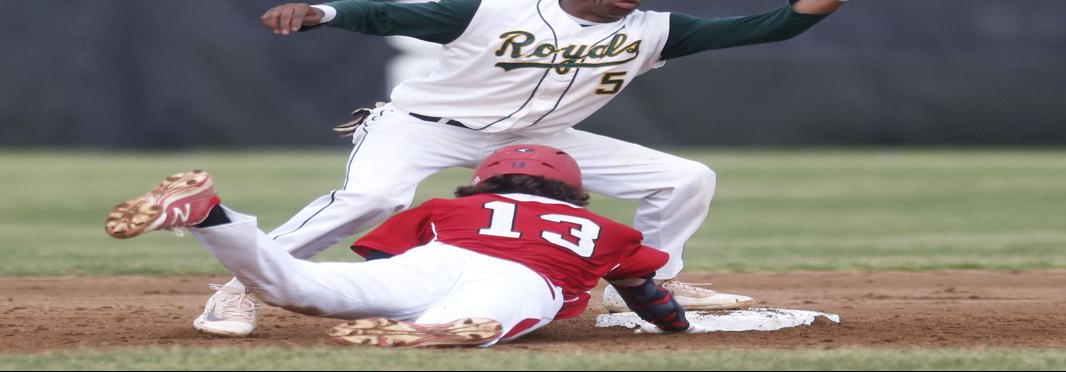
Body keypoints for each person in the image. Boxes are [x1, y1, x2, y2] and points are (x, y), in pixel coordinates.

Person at [192, 0, 847, 337]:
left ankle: (650, 284)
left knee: (685, 178)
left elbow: (776, 26)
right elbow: (390, 14)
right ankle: (244, 282)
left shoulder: (656, 28)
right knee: (374, 197)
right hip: (426, 131)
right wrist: (320, 13)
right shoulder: (496, 10)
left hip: (542, 138)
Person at [105, 145, 692, 347]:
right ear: (572, 189)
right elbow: (645, 292)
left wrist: (388, 297)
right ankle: (447, 330)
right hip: (526, 278)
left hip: (434, 261)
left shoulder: (449, 207)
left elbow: (384, 258)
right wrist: (675, 328)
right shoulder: (612, 232)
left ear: (484, 182)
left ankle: (213, 216)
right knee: (489, 317)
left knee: (295, 284)